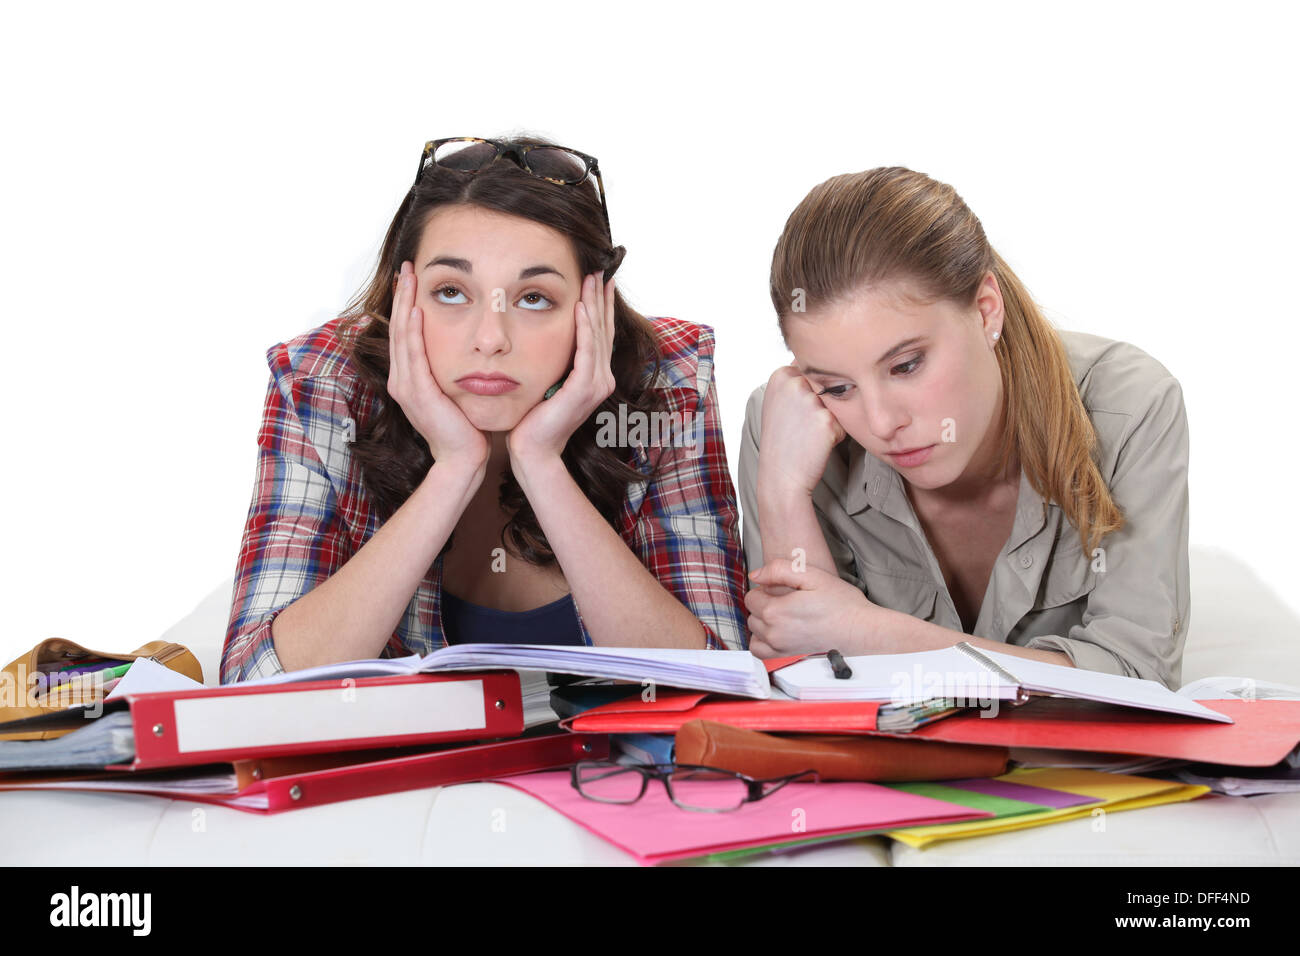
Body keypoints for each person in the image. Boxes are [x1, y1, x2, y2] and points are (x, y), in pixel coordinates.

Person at [221, 135, 747, 683]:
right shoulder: (321, 383)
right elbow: (254, 682)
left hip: (610, 771)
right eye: (452, 291)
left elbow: (718, 679)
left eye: (534, 297)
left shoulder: (666, 384)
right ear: (404, 296)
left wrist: (541, 462)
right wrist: (454, 468)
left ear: (594, 306)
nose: (491, 338)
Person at [739, 166, 1190, 689]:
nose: (883, 423)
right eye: (837, 388)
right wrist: (781, 494)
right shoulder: (787, 426)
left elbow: (1140, 684)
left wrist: (872, 633)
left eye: (906, 365)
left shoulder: (1130, 408)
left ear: (985, 310)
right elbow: (804, 690)